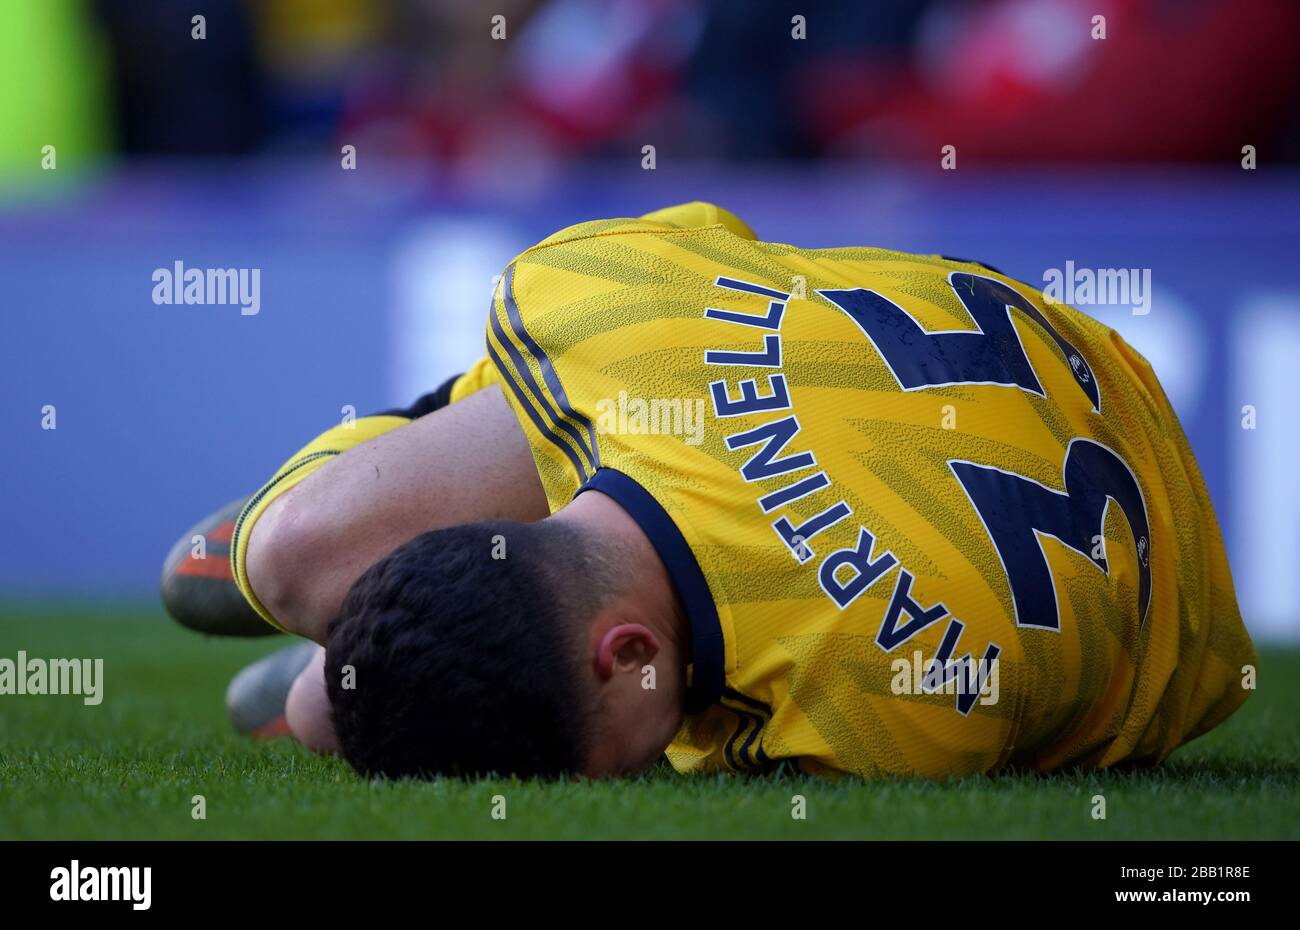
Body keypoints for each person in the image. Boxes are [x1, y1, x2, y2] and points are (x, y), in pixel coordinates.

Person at [162, 201, 1256, 779]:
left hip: (1178, 610)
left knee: (315, 703)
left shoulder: (886, 706)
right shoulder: (579, 290)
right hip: (1078, 353)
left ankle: (326, 626)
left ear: (629, 656)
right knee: (296, 600)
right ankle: (340, 582)